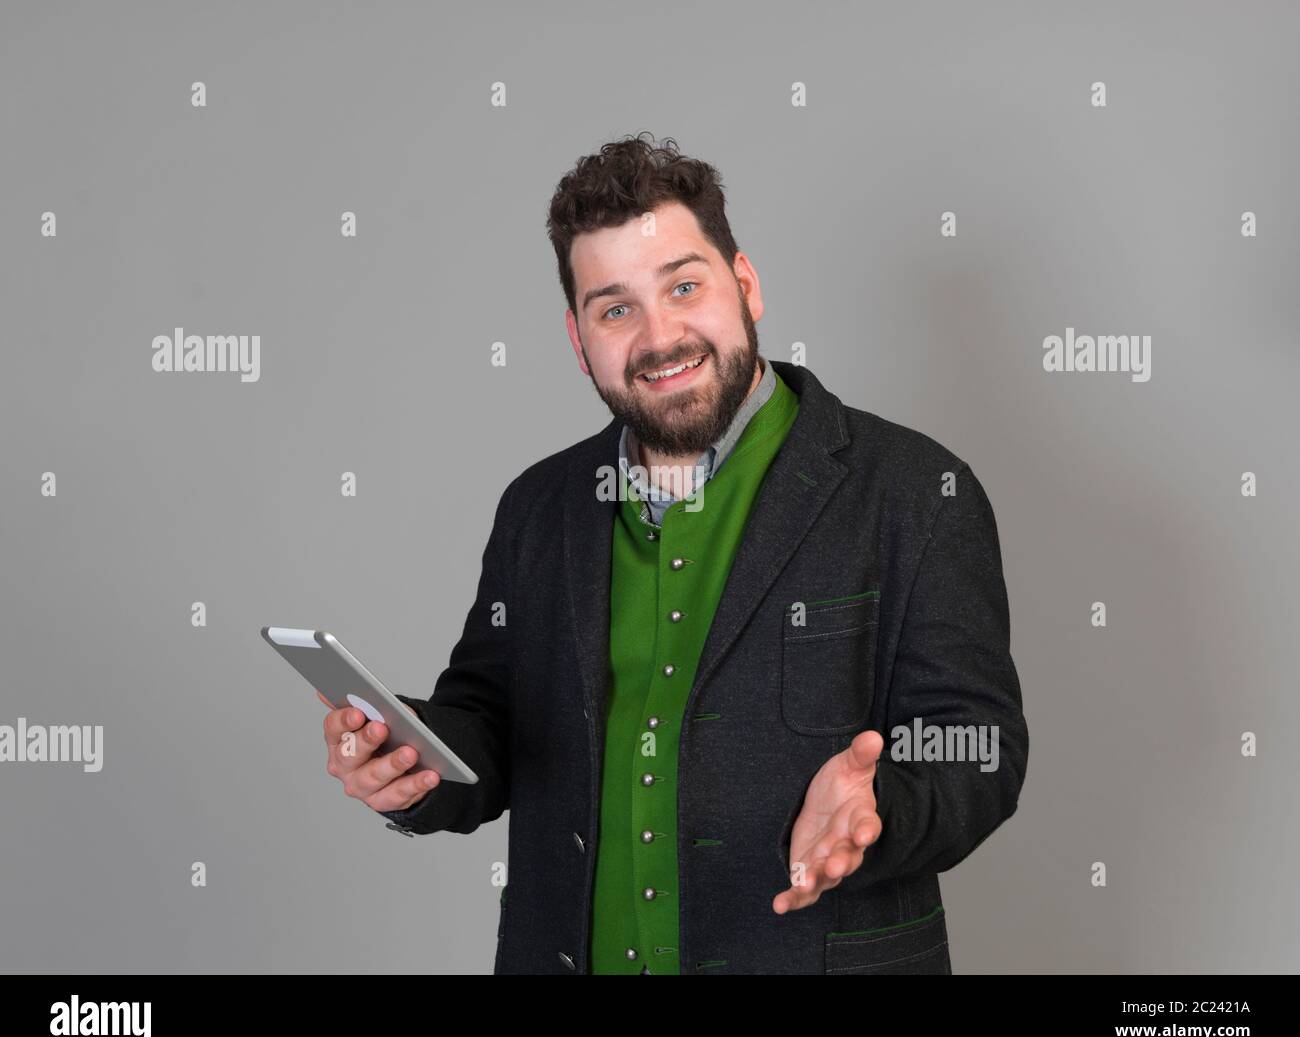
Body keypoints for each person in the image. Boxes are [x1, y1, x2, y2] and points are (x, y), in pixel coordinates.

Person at [319, 132, 1028, 974]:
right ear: (581, 341)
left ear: (746, 286)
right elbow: (493, 727)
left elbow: (978, 745)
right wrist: (411, 761)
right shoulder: (537, 508)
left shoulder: (915, 491)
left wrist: (884, 808)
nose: (659, 337)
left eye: (684, 286)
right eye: (616, 308)